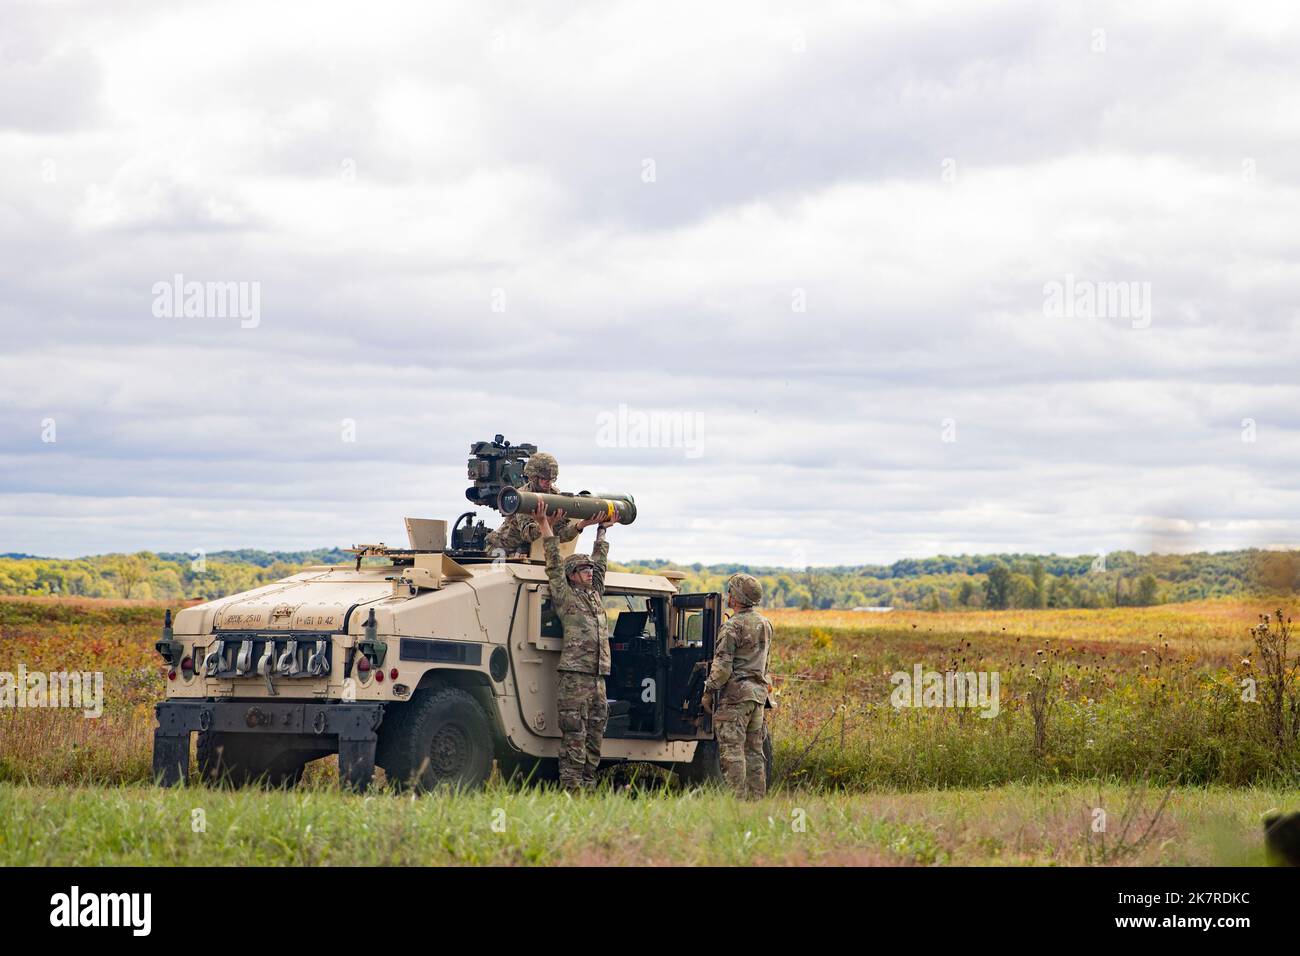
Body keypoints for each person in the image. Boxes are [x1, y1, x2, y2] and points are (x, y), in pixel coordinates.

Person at [534, 499, 619, 791]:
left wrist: (602, 532)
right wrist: (545, 525)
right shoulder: (566, 596)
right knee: (575, 738)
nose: (590, 573)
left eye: (590, 570)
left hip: (598, 679)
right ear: (572, 575)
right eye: (584, 570)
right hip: (575, 678)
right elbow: (554, 564)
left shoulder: (594, 595)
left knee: (595, 736)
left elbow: (601, 564)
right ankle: (572, 791)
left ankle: (589, 786)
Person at [701, 572, 772, 799]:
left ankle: (737, 802)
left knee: (732, 752)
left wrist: (708, 691)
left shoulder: (732, 626)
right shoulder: (765, 623)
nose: (728, 595)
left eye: (731, 591)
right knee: (754, 752)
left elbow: (722, 667)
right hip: (758, 696)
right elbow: (765, 660)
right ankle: (756, 800)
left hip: (735, 698)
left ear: (738, 597)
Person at [484, 451, 582, 555]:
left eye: (551, 479)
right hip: (499, 550)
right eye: (544, 478)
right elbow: (528, 534)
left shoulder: (554, 495)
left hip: (525, 554)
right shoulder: (523, 497)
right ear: (533, 477)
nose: (548, 482)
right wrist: (546, 522)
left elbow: (560, 536)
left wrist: (580, 526)